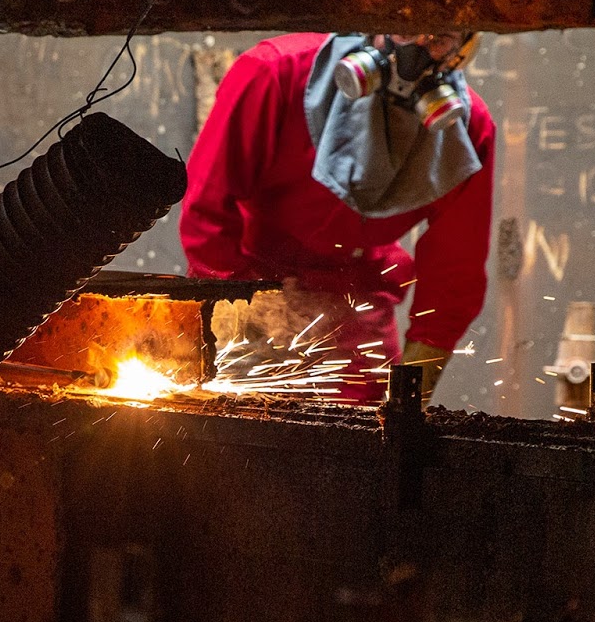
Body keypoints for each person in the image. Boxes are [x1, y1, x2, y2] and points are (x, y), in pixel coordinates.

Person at [180, 31, 496, 404]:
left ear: (466, 46)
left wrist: (408, 397)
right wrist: (240, 314)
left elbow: (454, 274)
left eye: (440, 37)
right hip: (249, 291)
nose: (417, 49)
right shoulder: (275, 72)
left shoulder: (466, 133)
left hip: (357, 312)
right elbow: (207, 207)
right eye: (408, 30)